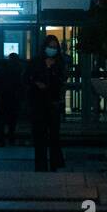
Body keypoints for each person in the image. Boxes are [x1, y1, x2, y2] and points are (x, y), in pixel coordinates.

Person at [25, 34, 67, 171]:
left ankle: (55, 164)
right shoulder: (36, 62)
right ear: (44, 47)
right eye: (50, 47)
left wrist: (51, 70)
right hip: (38, 104)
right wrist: (37, 82)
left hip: (53, 103)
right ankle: (41, 166)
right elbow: (26, 79)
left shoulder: (59, 63)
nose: (52, 49)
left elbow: (60, 82)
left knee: (54, 136)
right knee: (40, 136)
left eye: (55, 47)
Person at [0, 52, 23, 147]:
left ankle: (0, 141)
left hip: (1, 99)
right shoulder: (16, 72)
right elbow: (20, 87)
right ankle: (11, 139)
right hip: (13, 100)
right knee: (12, 122)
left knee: (1, 121)